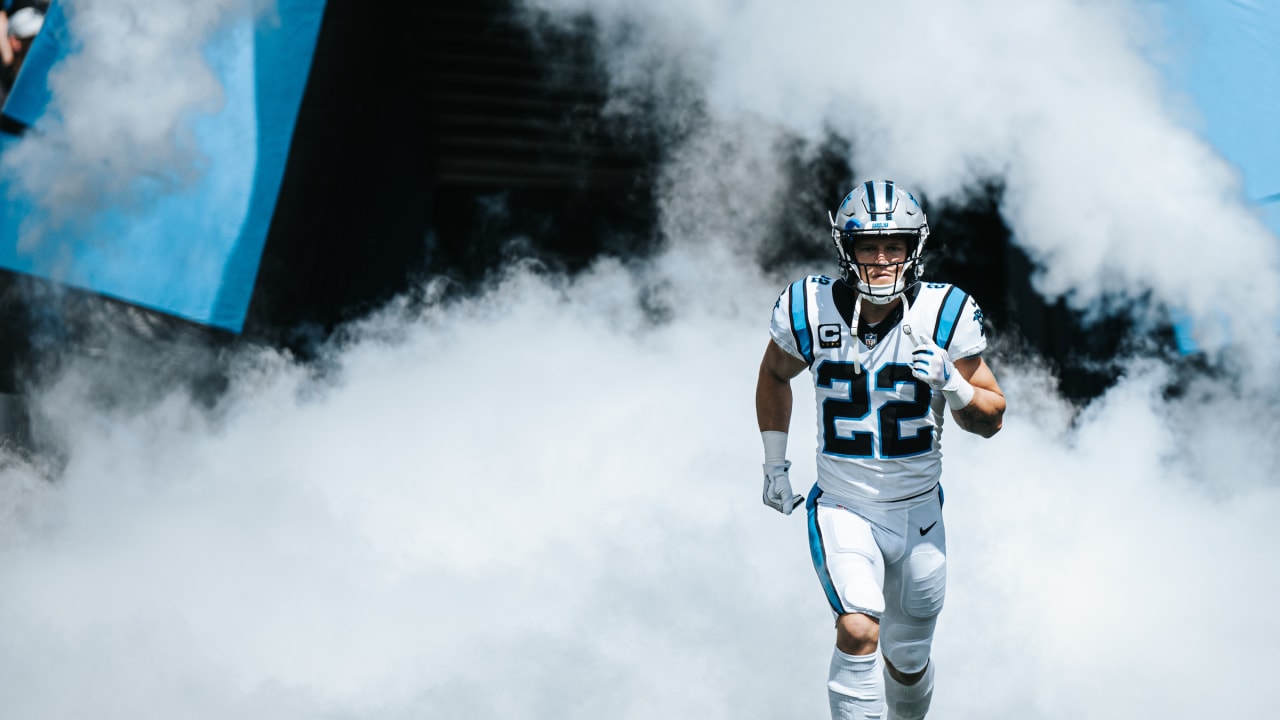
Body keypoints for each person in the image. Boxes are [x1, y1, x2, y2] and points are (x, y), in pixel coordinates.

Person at [755, 180, 1006, 720]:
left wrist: (955, 386)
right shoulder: (810, 305)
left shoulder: (945, 313)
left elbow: (991, 419)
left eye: (893, 244)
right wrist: (774, 461)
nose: (882, 258)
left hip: (918, 508)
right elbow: (775, 373)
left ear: (915, 246)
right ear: (846, 249)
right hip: (845, 502)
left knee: (909, 658)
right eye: (868, 246)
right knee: (858, 626)